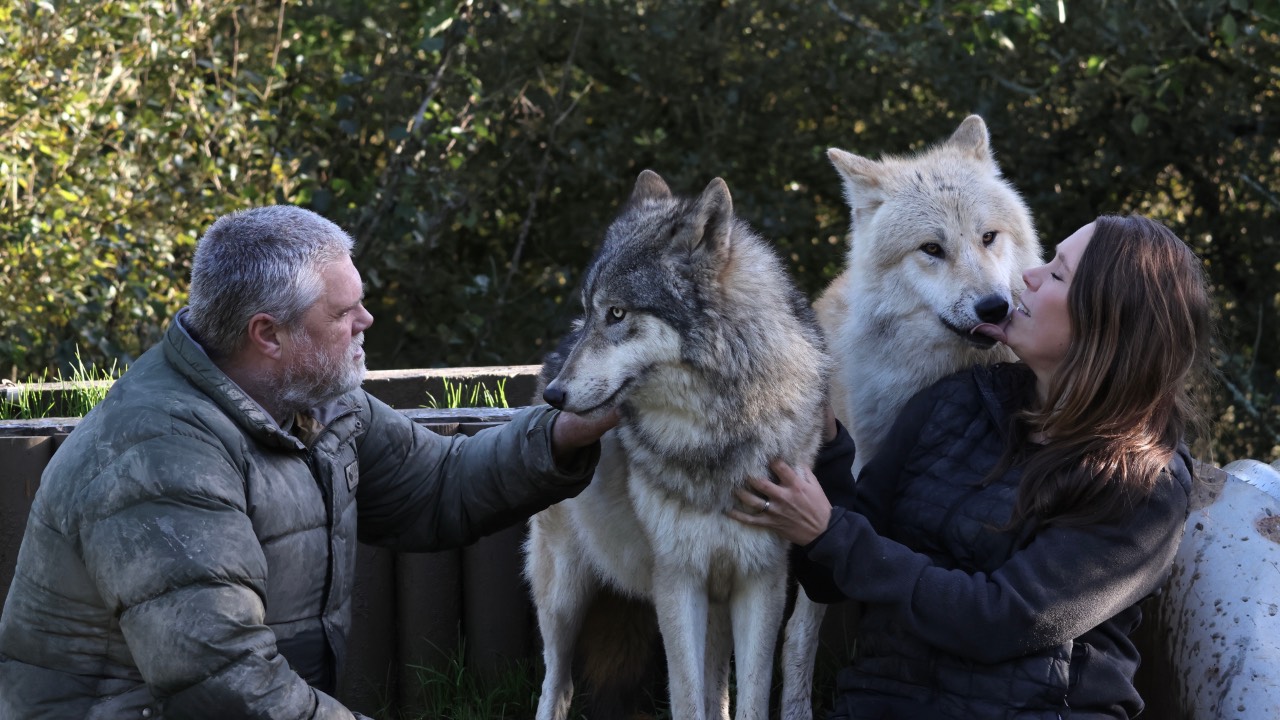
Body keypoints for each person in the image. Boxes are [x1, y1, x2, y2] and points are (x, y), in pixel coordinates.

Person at [0, 206, 617, 719]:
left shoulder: (314, 400)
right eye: (343, 313)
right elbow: (225, 680)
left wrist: (561, 433)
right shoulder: (159, 454)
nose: (366, 322)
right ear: (269, 334)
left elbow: (437, 484)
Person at [731, 214, 1211, 719]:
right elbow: (833, 579)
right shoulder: (953, 403)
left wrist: (831, 533)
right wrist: (824, 442)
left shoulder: (1143, 483)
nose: (1028, 275)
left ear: (1108, 322)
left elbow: (1002, 620)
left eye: (1058, 274)